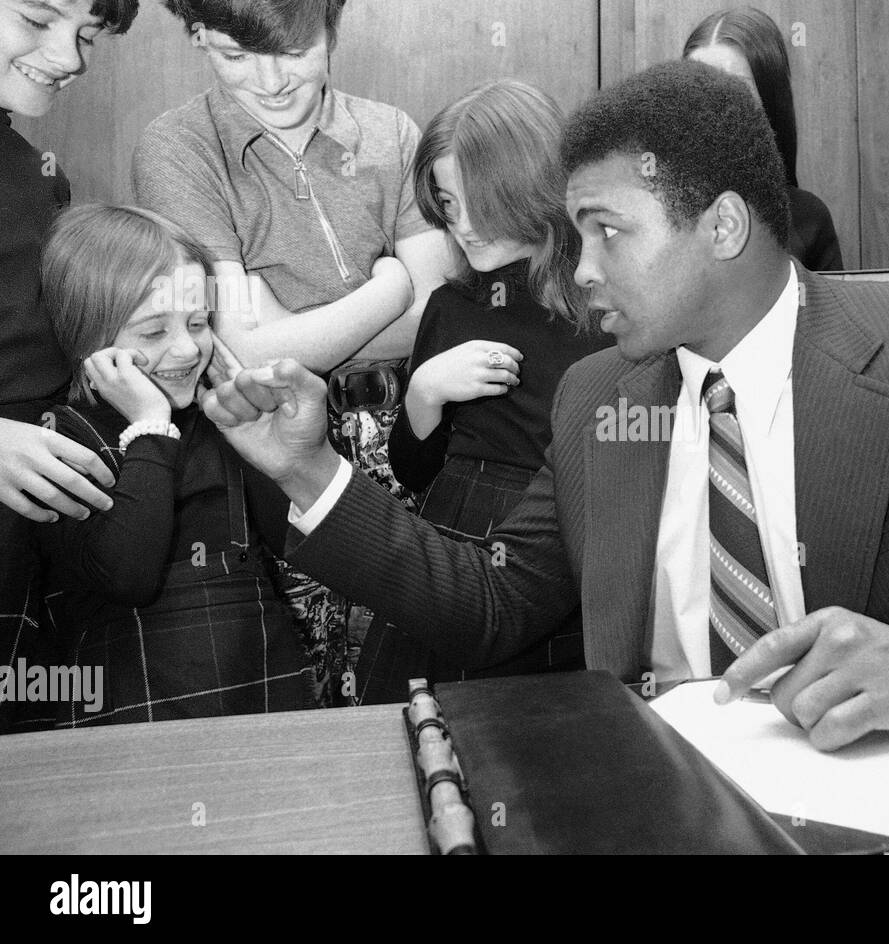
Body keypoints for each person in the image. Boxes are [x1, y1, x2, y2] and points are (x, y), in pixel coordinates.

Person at [204, 62, 889, 751]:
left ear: (718, 226)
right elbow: (487, 603)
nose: (578, 266)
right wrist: (306, 469)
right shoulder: (594, 399)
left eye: (606, 230)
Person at [132, 0, 454, 707]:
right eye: (235, 55)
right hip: (273, 441)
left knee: (422, 676)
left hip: (418, 432)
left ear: (332, 27)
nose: (271, 81)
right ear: (196, 38)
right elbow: (241, 351)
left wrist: (294, 323)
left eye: (293, 50)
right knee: (305, 691)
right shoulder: (178, 148)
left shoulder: (391, 132)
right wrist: (389, 283)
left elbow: (440, 315)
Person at [358, 80, 610, 700]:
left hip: (568, 550)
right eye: (446, 203)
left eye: (481, 203)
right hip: (455, 547)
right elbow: (415, 474)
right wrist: (423, 392)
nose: (462, 226)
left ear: (534, 189)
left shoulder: (608, 304)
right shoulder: (451, 305)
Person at [37, 204, 311, 725]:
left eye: (199, 323)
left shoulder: (213, 417)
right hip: (138, 701)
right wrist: (149, 425)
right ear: (87, 334)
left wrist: (261, 434)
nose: (187, 348)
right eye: (153, 332)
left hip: (260, 681)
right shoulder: (61, 435)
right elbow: (128, 576)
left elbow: (282, 541)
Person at [0, 0, 138, 734]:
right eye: (35, 19)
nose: (70, 58)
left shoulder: (32, 167)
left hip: (31, 523)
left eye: (84, 34)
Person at [684, 5, 843, 271]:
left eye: (737, 89)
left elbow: (825, 312)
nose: (713, 106)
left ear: (769, 100)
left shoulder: (807, 217)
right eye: (699, 87)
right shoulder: (651, 211)